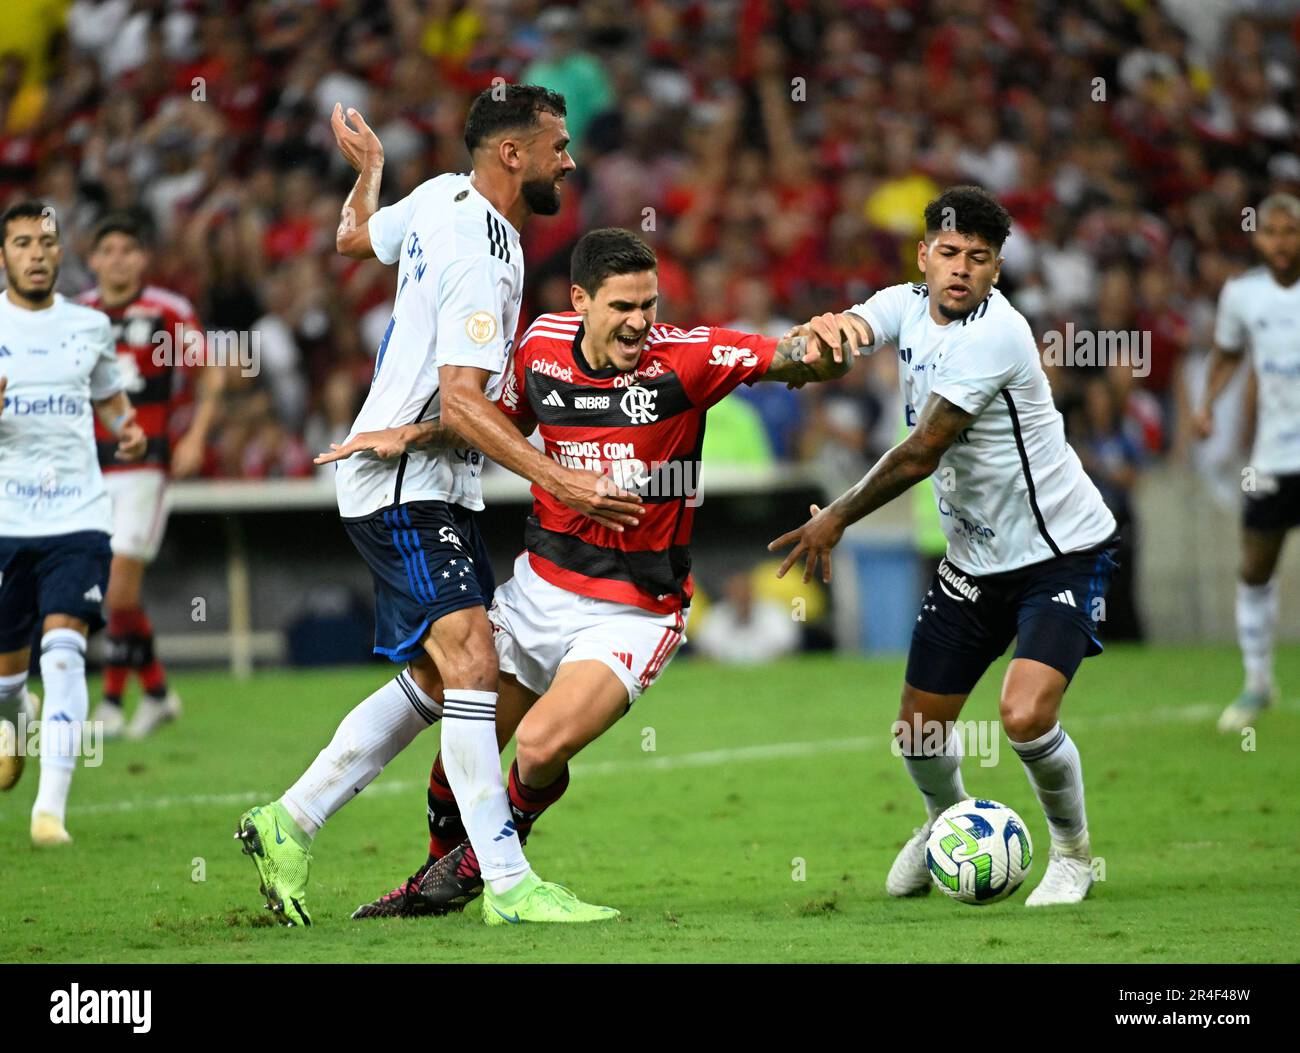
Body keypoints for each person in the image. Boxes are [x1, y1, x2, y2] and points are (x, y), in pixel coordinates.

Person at [323, 227, 849, 919]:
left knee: (539, 748)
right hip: (540, 587)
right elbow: (491, 421)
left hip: (634, 609)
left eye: (648, 305)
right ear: (580, 301)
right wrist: (412, 435)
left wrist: (831, 341)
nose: (639, 321)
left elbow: (791, 357)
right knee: (464, 744)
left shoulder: (685, 359)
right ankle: (438, 880)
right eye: (623, 306)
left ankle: (482, 866)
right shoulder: (541, 347)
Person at [234, 87, 643, 927]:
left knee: (439, 675)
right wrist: (564, 482)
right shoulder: (480, 254)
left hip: (422, 473)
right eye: (557, 146)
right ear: (512, 155)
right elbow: (463, 401)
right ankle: (507, 879)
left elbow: (353, 239)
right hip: (405, 484)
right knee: (473, 666)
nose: (571, 159)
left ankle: (288, 820)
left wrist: (373, 174)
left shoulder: (434, 197)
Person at [769, 185, 1119, 907]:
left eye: (979, 258)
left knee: (1023, 715)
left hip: (1059, 552)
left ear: (996, 270)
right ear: (924, 254)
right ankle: (942, 826)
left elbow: (921, 451)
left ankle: (1075, 854)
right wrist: (819, 338)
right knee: (918, 733)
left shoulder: (997, 335)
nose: (961, 269)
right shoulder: (903, 303)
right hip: (973, 562)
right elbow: (849, 331)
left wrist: (835, 515)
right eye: (950, 252)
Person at [0, 200, 147, 844]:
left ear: (62, 253)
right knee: (8, 677)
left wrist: (128, 429)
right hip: (7, 521)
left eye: (46, 243)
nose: (36, 254)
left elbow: (109, 398)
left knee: (64, 652)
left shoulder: (89, 326)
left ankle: (49, 811)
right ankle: (12, 715)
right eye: (23, 243)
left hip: (78, 518)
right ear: (4, 255)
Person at [78, 213, 226, 739]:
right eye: (108, 250)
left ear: (143, 258)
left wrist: (195, 436)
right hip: (88, 466)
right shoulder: (78, 314)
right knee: (108, 588)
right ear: (92, 259)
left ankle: (114, 703)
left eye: (128, 249)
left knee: (118, 588)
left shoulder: (167, 311)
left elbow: (212, 370)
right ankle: (158, 693)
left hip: (146, 465)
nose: (118, 258)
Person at [1193, 193, 1300, 733]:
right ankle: (1258, 681)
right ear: (1258, 238)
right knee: (1255, 568)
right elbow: (1229, 352)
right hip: (1274, 458)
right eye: (1272, 232)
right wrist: (1208, 403)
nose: (1282, 242)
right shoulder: (1242, 294)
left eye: (1291, 231)